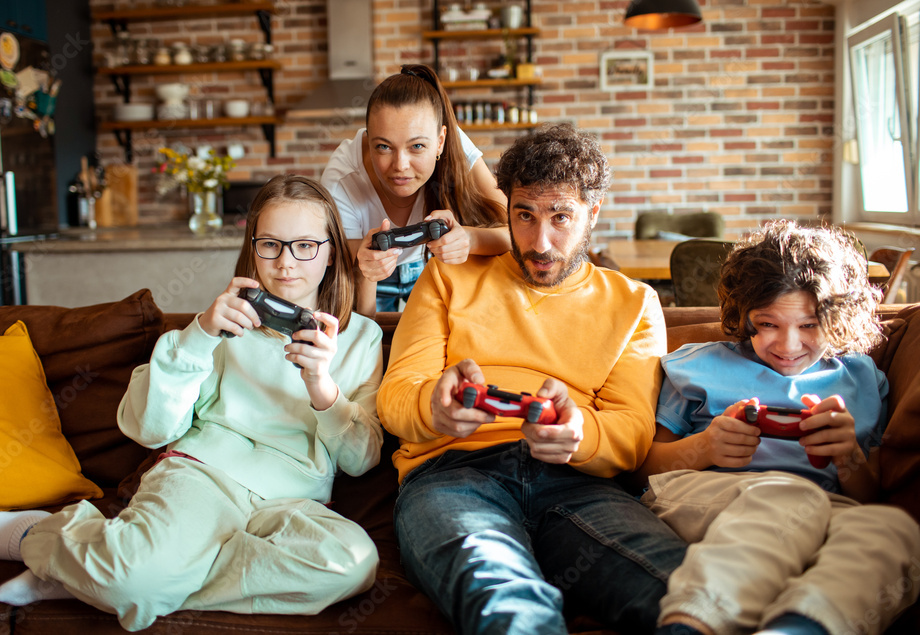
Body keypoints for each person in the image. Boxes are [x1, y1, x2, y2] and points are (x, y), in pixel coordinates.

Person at [0, 175, 385, 632]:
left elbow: (361, 459)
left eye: (305, 245)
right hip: (204, 476)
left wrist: (322, 386)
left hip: (292, 501)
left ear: (330, 252)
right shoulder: (221, 323)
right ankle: (34, 537)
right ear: (253, 249)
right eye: (270, 245)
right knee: (136, 576)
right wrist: (201, 334)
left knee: (353, 564)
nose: (286, 263)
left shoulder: (361, 338)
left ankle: (117, 573)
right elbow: (150, 429)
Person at [377, 123, 688, 634]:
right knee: (505, 601)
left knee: (679, 591)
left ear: (594, 212)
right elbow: (395, 397)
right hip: (452, 478)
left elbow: (632, 433)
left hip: (579, 484)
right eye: (524, 216)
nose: (540, 243)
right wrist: (433, 410)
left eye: (560, 217)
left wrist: (578, 434)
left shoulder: (634, 303)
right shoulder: (448, 278)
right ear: (507, 209)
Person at [637, 221, 920, 635]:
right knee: (787, 497)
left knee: (892, 530)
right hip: (699, 494)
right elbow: (642, 469)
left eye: (808, 326)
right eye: (767, 324)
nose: (788, 346)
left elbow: (870, 495)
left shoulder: (861, 377)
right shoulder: (697, 364)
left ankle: (799, 627)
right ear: (743, 317)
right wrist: (704, 447)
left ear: (838, 318)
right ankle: (693, 623)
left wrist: (849, 458)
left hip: (821, 504)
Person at [321, 63, 509, 315]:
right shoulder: (341, 178)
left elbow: (516, 231)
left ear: (440, 142)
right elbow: (359, 305)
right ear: (369, 138)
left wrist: (470, 238)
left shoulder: (455, 145)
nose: (400, 166)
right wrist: (366, 263)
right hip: (368, 277)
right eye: (383, 147)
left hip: (432, 264)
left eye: (417, 146)